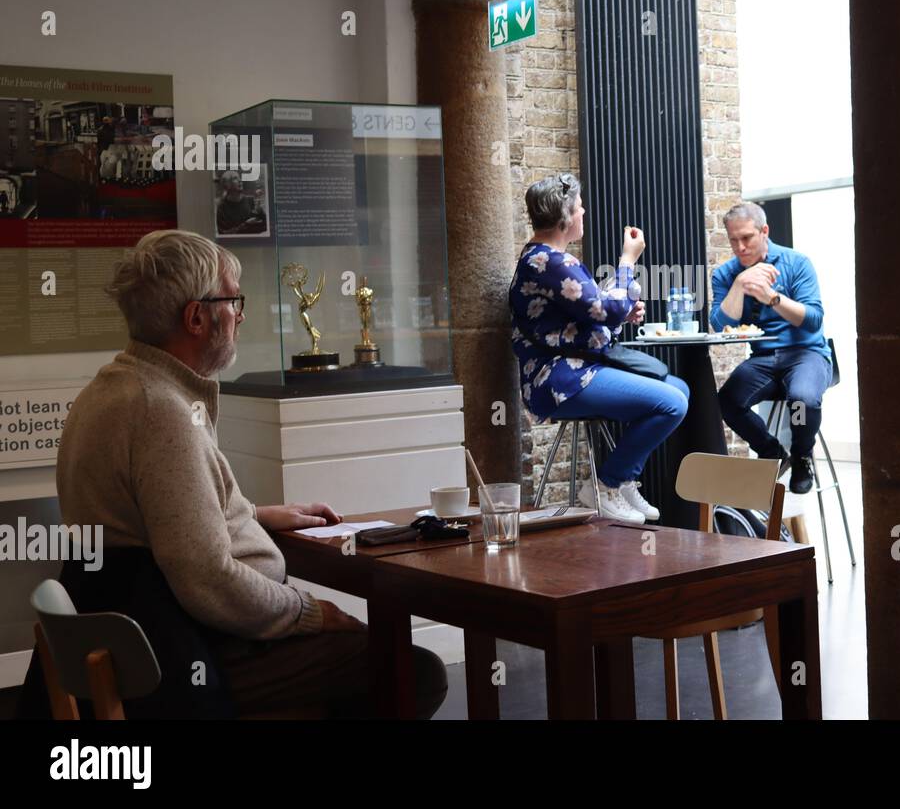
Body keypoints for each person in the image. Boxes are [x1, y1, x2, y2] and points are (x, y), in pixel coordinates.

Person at [55, 229, 446, 718]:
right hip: (190, 654)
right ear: (196, 317)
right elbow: (208, 580)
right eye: (233, 301)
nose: (241, 314)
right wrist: (308, 612)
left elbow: (153, 522)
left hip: (146, 641)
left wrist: (250, 515)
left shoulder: (111, 389)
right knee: (414, 671)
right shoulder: (161, 411)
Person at [510, 173, 688, 523]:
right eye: (578, 207)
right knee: (672, 402)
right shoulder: (551, 261)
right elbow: (603, 310)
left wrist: (620, 310)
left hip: (575, 369)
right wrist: (627, 261)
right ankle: (606, 484)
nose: (584, 211)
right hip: (559, 379)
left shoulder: (543, 259)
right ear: (565, 217)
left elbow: (591, 315)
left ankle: (622, 479)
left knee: (678, 388)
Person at [710, 202, 832, 494]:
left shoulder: (796, 263)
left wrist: (771, 297)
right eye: (733, 240)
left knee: (801, 400)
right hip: (763, 359)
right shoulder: (726, 274)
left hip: (807, 354)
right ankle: (772, 452)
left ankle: (802, 456)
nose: (740, 247)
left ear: (764, 231)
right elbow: (719, 324)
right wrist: (740, 283)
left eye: (747, 238)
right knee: (727, 401)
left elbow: (813, 320)